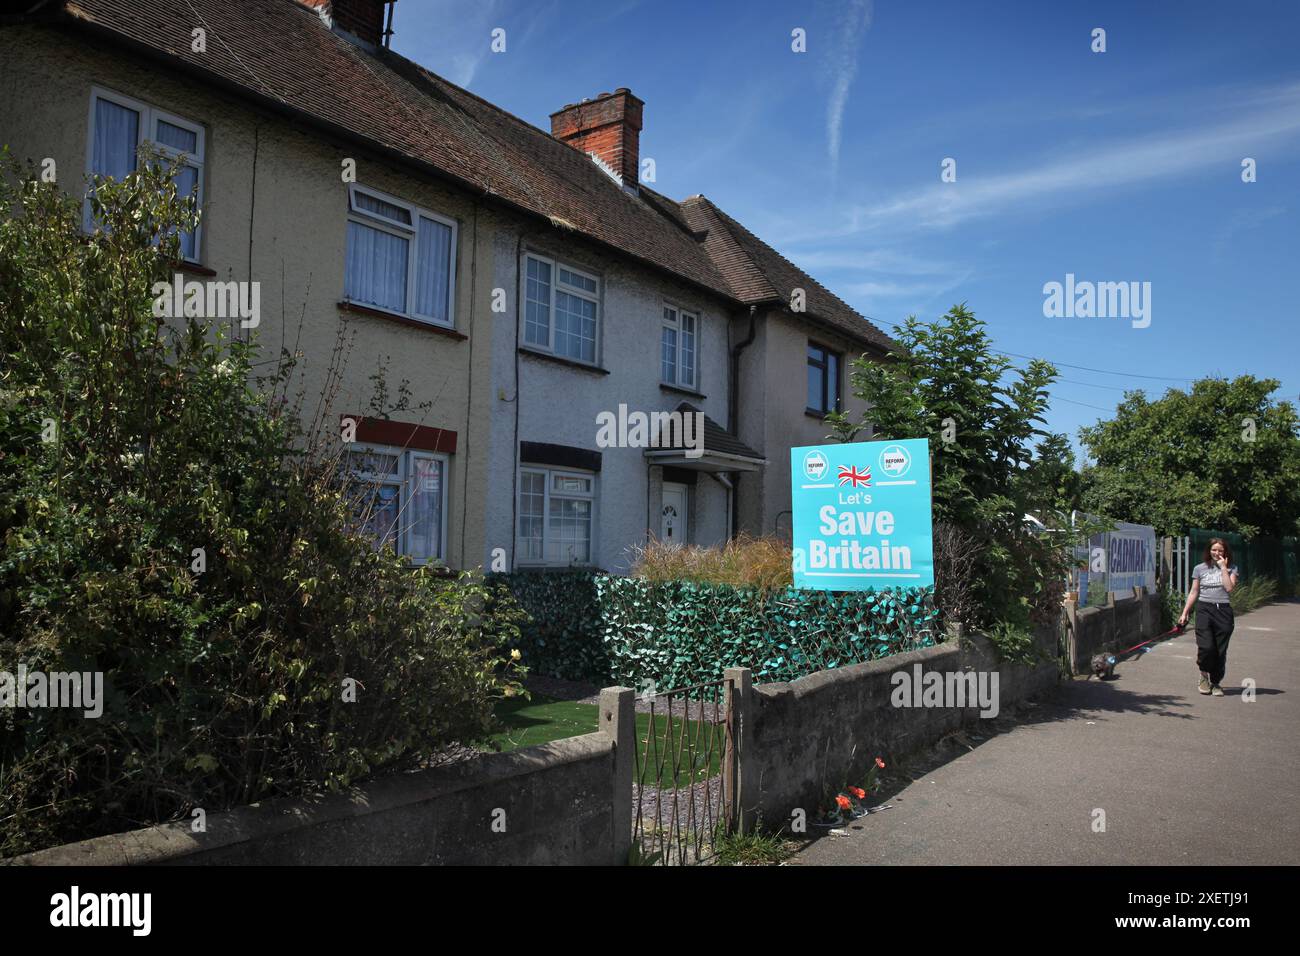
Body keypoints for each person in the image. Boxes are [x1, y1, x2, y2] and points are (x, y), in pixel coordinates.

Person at [1178, 538, 1239, 696]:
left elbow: (1229, 588)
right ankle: (1203, 675)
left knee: (1220, 650)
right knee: (1206, 647)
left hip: (1223, 611)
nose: (1217, 553)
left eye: (1220, 550)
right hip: (1204, 609)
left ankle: (1216, 682)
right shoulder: (1200, 568)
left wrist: (1223, 568)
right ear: (1208, 551)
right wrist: (1185, 612)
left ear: (1225, 552)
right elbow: (1194, 592)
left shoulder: (1232, 568)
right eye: (1214, 550)